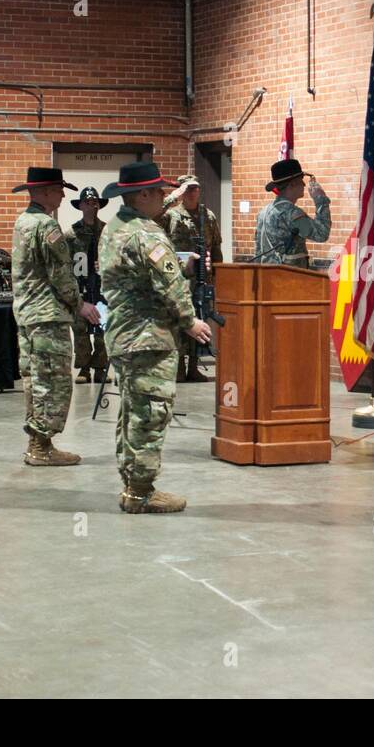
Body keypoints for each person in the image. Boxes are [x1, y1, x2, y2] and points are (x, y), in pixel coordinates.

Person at [98, 162, 213, 514]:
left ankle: (132, 485)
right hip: (149, 337)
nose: (164, 198)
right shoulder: (147, 233)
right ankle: (141, 493)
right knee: (150, 413)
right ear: (143, 194)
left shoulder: (116, 227)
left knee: (132, 411)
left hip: (123, 334)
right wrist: (190, 320)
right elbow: (170, 284)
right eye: (159, 192)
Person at [10, 167, 101, 466]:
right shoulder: (47, 227)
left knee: (36, 379)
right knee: (54, 381)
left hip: (28, 315)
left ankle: (37, 443)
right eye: (60, 189)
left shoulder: (23, 221)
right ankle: (41, 447)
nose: (63, 195)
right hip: (48, 317)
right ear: (46, 191)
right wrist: (81, 305)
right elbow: (61, 276)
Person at [158, 174, 223, 382]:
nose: (193, 193)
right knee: (178, 321)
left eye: (195, 189)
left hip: (202, 278)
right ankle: (177, 368)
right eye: (188, 189)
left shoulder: (207, 215)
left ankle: (194, 366)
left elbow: (216, 247)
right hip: (178, 277)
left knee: (200, 317)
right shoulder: (171, 216)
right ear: (181, 192)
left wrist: (218, 274)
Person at [253, 158, 330, 267]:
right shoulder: (291, 213)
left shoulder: (263, 212)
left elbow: (258, 252)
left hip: (266, 277)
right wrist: (321, 200)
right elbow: (322, 234)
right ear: (292, 184)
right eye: (301, 180)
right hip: (289, 279)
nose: (304, 184)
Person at [67, 186, 109, 385]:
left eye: (95, 202)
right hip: (81, 287)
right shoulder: (72, 234)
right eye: (87, 202)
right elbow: (65, 263)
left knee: (102, 329)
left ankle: (101, 368)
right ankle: (84, 368)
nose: (91, 205)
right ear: (80, 205)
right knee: (81, 331)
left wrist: (106, 264)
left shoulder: (107, 231)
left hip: (102, 287)